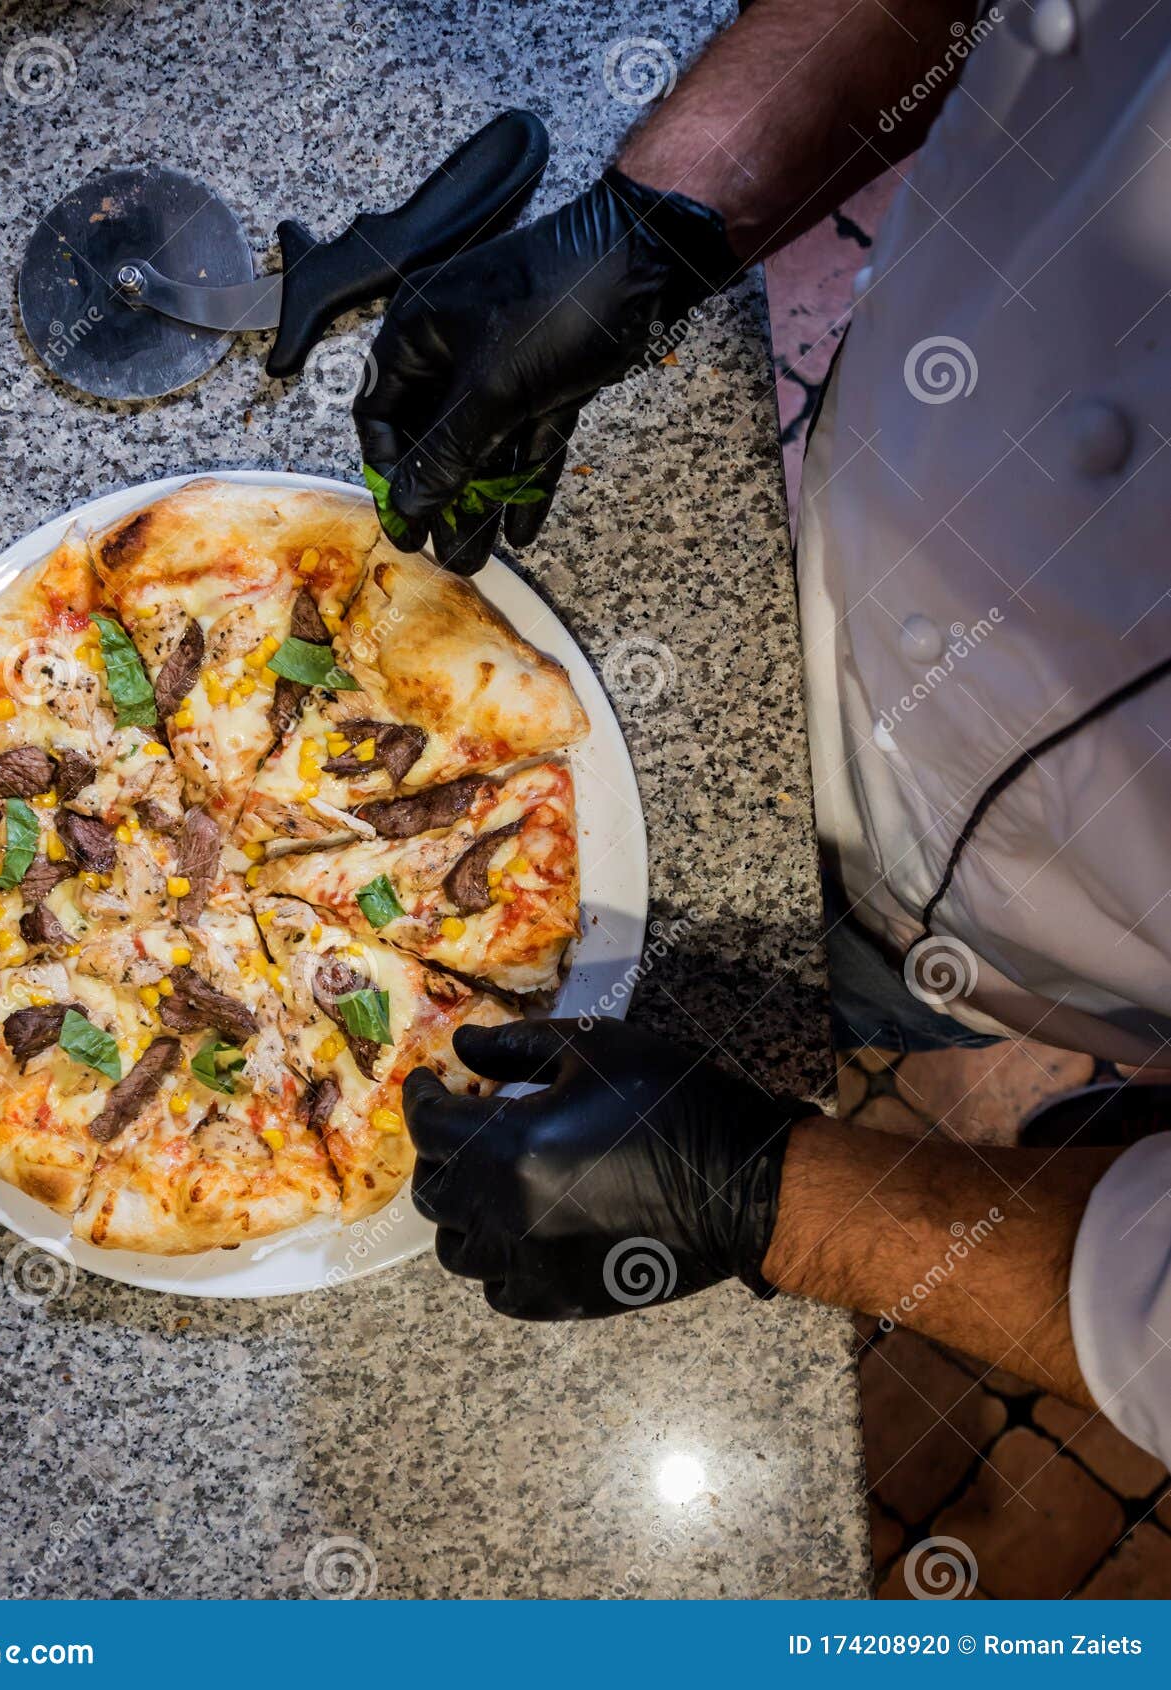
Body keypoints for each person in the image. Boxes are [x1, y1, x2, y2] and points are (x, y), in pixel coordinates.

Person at [353, 0, 1171, 1466]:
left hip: (1051, 939)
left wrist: (762, 1192)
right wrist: (661, 220)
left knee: (891, 1003)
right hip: (872, 498)